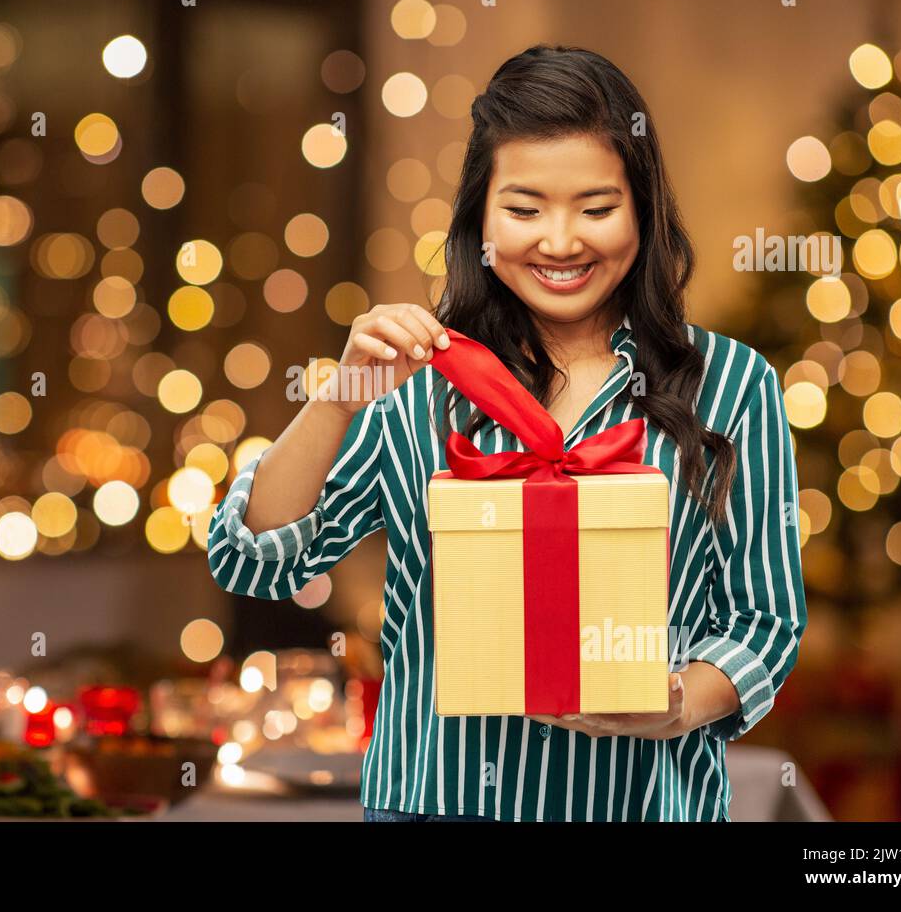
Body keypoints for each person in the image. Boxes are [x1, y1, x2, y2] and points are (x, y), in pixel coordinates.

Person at [207, 44, 806, 821]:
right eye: (524, 209)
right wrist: (338, 397)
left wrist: (679, 703)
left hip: (646, 803)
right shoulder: (417, 378)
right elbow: (255, 561)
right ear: (479, 217)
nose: (560, 243)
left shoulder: (733, 385)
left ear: (644, 210)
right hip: (437, 802)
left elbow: (764, 621)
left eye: (596, 208)